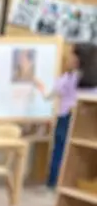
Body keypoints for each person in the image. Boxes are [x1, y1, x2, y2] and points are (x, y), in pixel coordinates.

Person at [35, 44, 97, 188]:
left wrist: (39, 85)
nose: (68, 58)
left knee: (59, 151)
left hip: (65, 117)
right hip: (86, 123)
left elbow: (48, 95)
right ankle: (70, 183)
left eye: (71, 54)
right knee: (77, 154)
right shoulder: (92, 81)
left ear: (78, 59)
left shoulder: (69, 77)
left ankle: (53, 182)